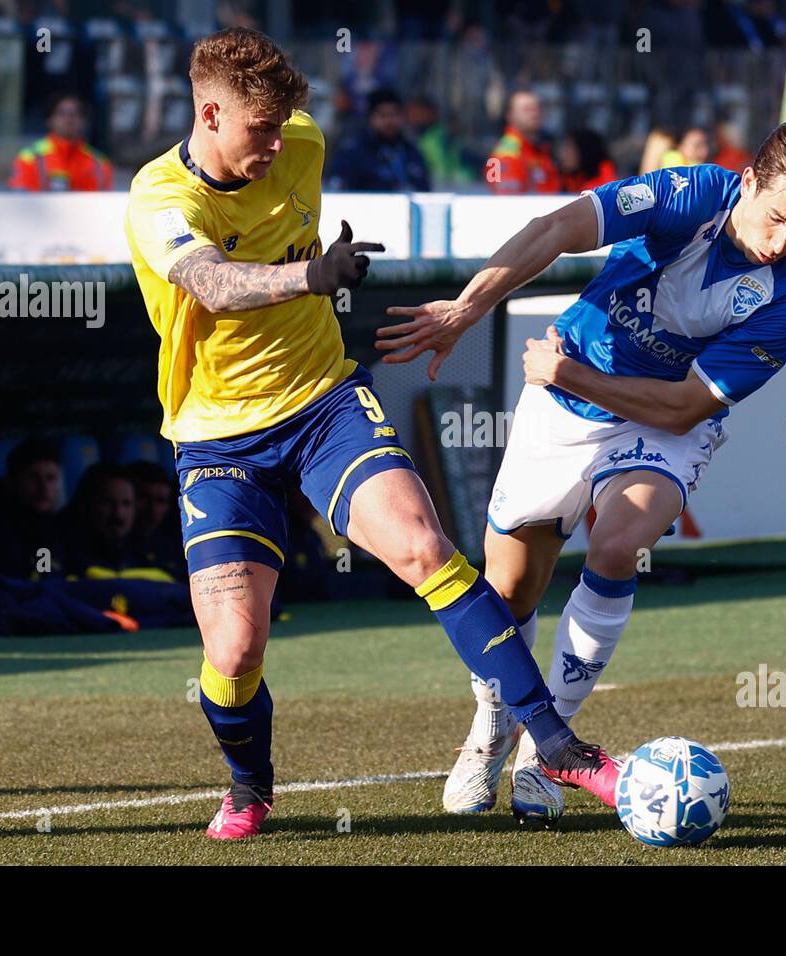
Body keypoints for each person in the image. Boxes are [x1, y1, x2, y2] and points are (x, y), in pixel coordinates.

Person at [123, 27, 620, 840]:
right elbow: (208, 281)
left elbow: (291, 152)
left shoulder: (302, 142)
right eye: (259, 129)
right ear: (208, 113)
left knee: (425, 547)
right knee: (237, 649)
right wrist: (310, 274)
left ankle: (557, 742)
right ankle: (251, 785)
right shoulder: (159, 198)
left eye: (285, 127)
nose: (277, 143)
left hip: (323, 403)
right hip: (218, 441)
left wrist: (316, 273)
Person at [380, 118, 786, 822]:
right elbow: (558, 227)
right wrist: (468, 307)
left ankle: (550, 755)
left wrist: (567, 372)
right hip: (566, 399)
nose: (784, 241)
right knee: (509, 593)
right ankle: (493, 726)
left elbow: (682, 408)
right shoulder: (690, 192)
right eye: (780, 217)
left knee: (616, 545)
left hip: (657, 419)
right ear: (749, 181)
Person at [0, 437, 64, 579]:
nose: (43, 488)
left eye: (50, 478)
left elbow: (43, 575)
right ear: (12, 481)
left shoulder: (45, 521)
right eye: (33, 477)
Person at [326, 88, 431, 192]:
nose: (389, 121)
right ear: (371, 118)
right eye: (383, 115)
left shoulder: (411, 152)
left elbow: (424, 190)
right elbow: (338, 191)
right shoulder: (353, 154)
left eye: (394, 114)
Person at [8, 92, 113, 192]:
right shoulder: (29, 159)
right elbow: (19, 199)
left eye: (74, 114)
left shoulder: (99, 163)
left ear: (84, 121)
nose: (68, 119)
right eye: (61, 113)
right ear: (49, 120)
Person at [486, 90, 561, 194]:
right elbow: (510, 201)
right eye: (527, 109)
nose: (534, 113)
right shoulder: (506, 153)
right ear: (510, 116)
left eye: (537, 108)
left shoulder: (539, 149)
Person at [557, 129, 618, 193]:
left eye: (568, 148)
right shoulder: (567, 178)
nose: (562, 154)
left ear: (584, 151)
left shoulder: (604, 188)